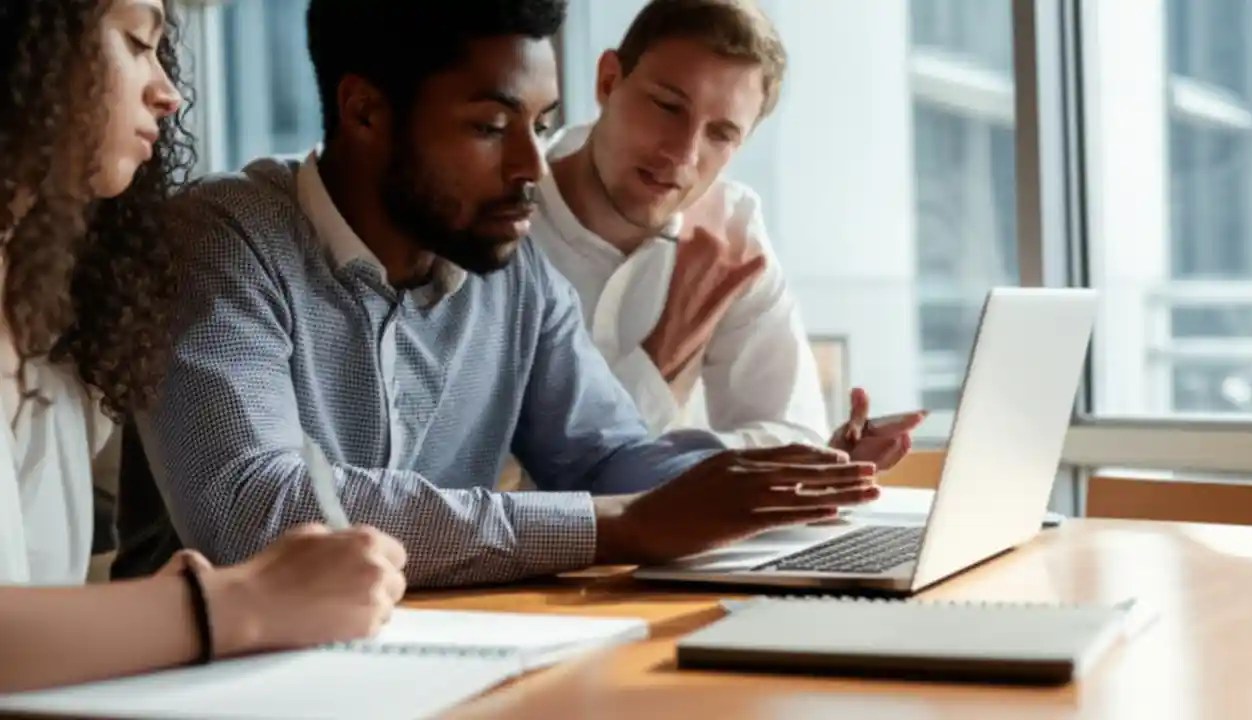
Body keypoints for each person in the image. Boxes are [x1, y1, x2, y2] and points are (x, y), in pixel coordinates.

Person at [124, 0, 880, 589]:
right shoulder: (219, 239)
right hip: (216, 682)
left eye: (542, 124)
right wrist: (614, 528)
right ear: (365, 112)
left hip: (442, 660)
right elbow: (259, 512)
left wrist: (797, 479)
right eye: (491, 125)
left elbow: (608, 459)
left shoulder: (512, 277)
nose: (533, 166)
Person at [0, 0, 407, 693]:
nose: (169, 92)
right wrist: (236, 604)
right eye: (135, 42)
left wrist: (165, 606)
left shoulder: (54, 334)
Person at [534, 0, 924, 463]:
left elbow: (790, 432)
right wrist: (665, 354)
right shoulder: (500, 214)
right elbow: (554, 477)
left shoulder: (731, 232)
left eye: (720, 134)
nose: (682, 154)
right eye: (667, 106)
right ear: (608, 81)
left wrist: (810, 463)